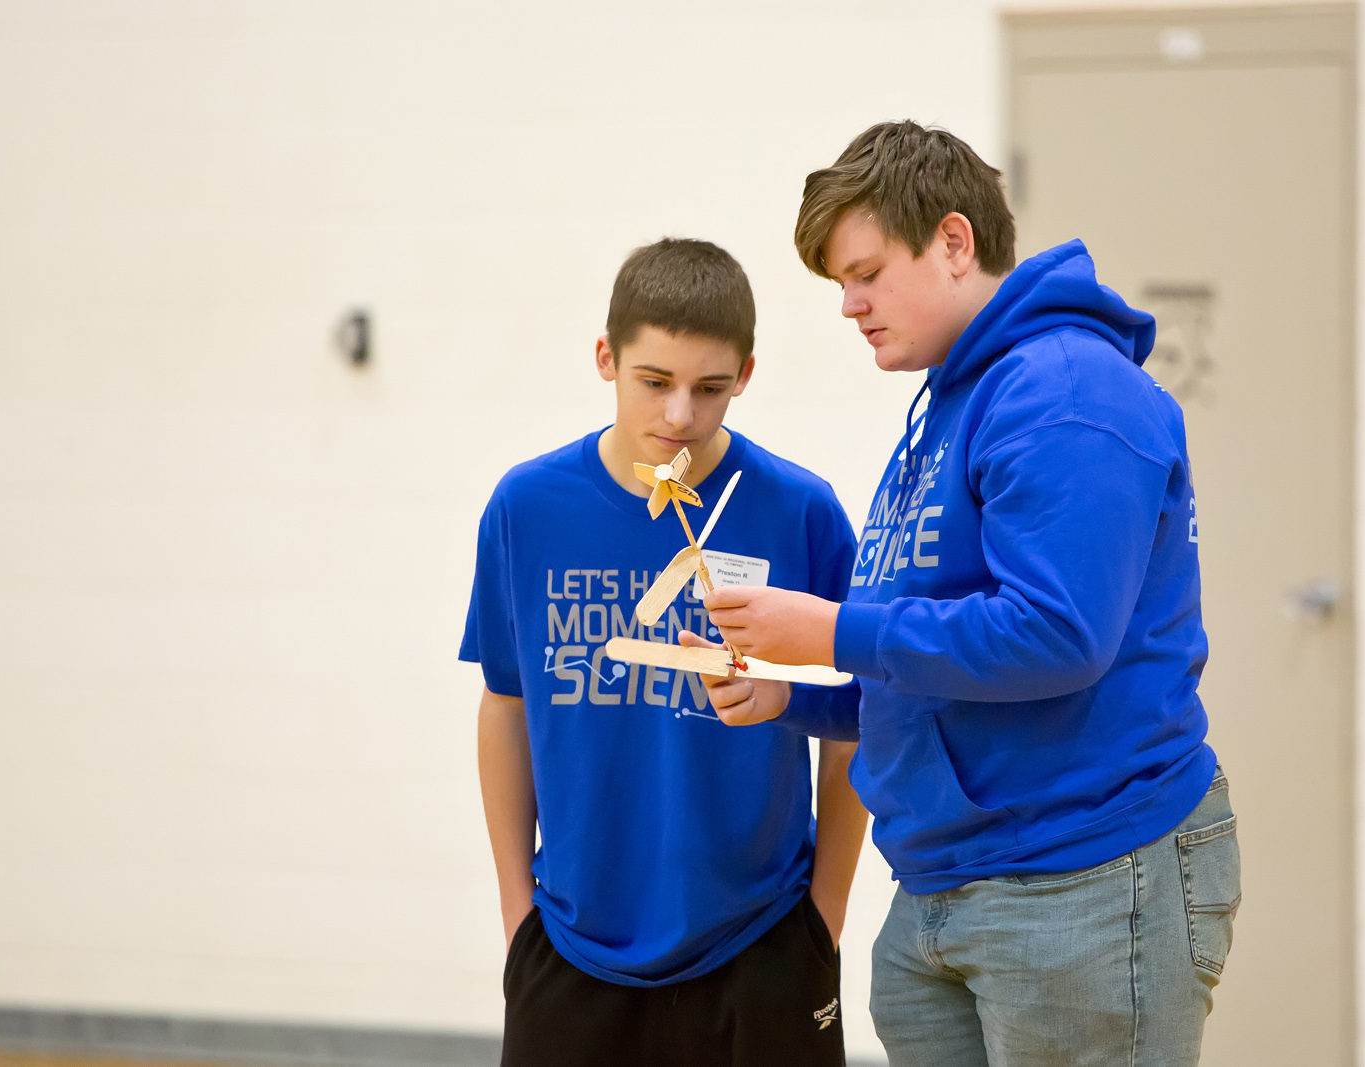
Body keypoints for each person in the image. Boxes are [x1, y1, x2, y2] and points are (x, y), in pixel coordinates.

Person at [682, 122, 1240, 1066]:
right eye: (839, 284)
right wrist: (793, 696)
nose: (850, 305)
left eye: (866, 273)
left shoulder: (1064, 389)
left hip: (1080, 871)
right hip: (950, 878)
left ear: (952, 240)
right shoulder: (952, 403)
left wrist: (831, 632)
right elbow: (933, 666)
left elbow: (1055, 634)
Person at [460, 237, 869, 1067]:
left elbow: (862, 712)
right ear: (606, 359)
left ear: (745, 375)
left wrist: (823, 917)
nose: (680, 414)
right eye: (654, 381)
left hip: (761, 939)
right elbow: (506, 702)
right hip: (570, 946)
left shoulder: (800, 511)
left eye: (710, 388)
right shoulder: (527, 508)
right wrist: (515, 914)